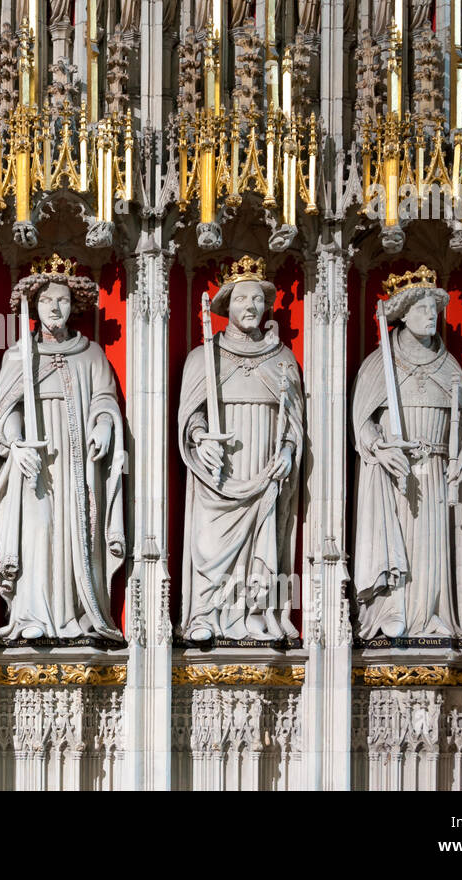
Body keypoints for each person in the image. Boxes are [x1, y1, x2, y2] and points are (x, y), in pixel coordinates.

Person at [0, 254, 126, 642]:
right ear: (34, 306)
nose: (55, 307)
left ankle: (78, 615)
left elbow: (105, 399)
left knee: (77, 531)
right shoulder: (19, 354)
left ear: (74, 306)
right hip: (35, 460)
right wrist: (17, 444)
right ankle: (31, 613)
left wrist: (103, 426)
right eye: (47, 300)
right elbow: (5, 409)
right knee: (39, 528)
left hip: (77, 462)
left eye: (63, 300)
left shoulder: (91, 355)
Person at [178, 257, 303, 642]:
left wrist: (287, 451)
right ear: (225, 307)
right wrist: (200, 438)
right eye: (242, 299)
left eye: (258, 300)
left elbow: (295, 423)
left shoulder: (282, 359)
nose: (250, 307)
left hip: (263, 469)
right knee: (209, 543)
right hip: (218, 473)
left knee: (263, 542)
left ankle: (254, 611)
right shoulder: (204, 357)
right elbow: (190, 416)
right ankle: (204, 614)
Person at [351, 265, 462, 640]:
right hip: (394, 470)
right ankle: (392, 609)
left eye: (435, 309)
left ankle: (432, 614)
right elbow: (361, 421)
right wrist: (378, 448)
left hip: (435, 467)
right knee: (398, 540)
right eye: (422, 308)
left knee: (431, 548)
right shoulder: (379, 363)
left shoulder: (449, 365)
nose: (431, 315)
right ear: (402, 313)